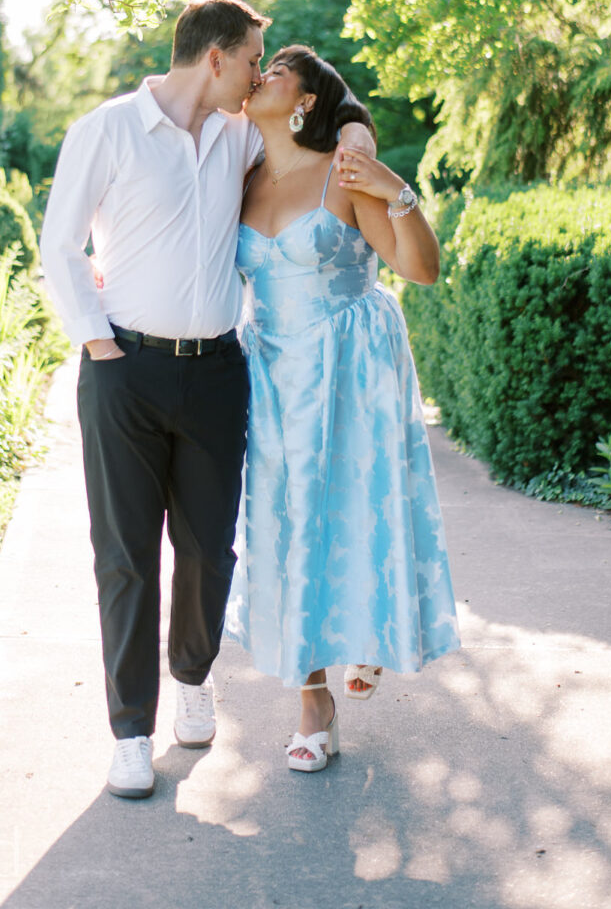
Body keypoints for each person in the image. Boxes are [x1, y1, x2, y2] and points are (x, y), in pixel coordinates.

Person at [40, 0, 374, 799]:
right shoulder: (108, 130)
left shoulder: (238, 135)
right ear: (216, 58)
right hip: (124, 369)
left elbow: (330, 99)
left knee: (206, 547)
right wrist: (98, 345)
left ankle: (192, 675)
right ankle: (129, 731)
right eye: (254, 58)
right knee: (123, 558)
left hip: (219, 371)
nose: (261, 72)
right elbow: (60, 241)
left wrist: (356, 126)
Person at [225, 45, 460, 773]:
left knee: (354, 508)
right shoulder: (236, 174)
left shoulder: (345, 169)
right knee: (283, 524)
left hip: (351, 363)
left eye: (277, 72)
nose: (258, 75)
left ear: (303, 101)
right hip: (268, 367)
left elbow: (419, 269)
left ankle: (368, 632)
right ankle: (311, 698)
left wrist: (396, 189)